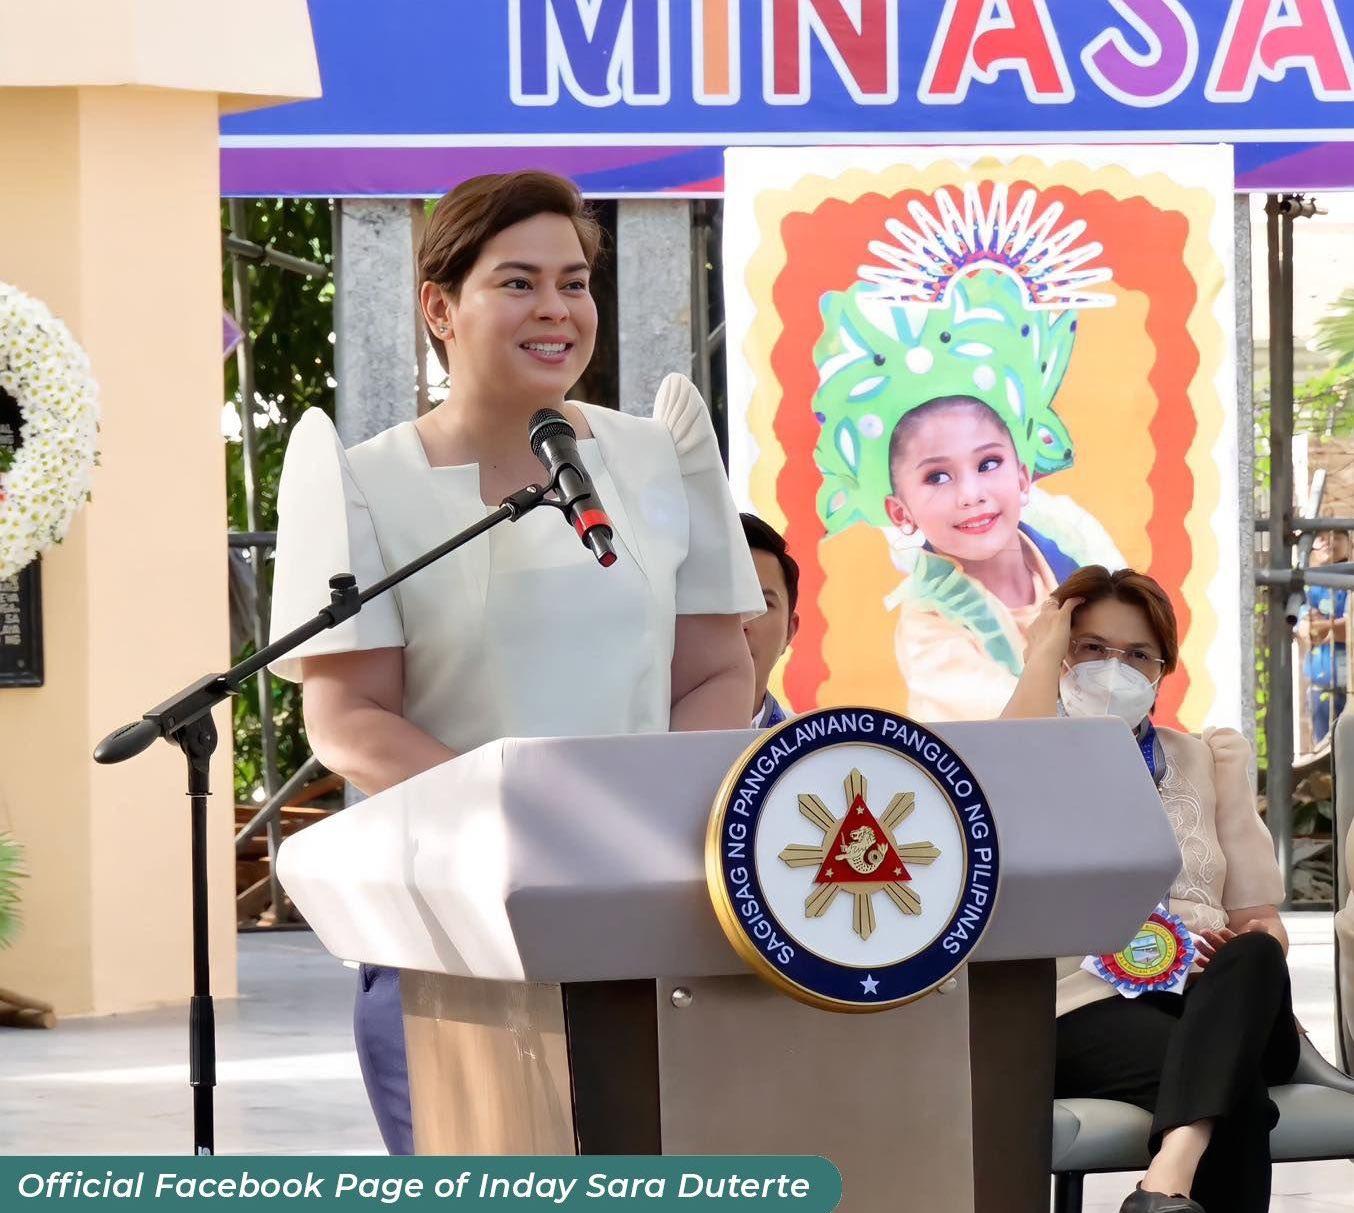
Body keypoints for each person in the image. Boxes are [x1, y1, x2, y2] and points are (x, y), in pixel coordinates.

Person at [266, 170, 762, 1154]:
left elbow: (716, 670)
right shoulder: (358, 482)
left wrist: (634, 809)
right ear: (439, 307)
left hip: (642, 895)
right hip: (450, 908)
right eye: (519, 282)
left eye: (573, 282)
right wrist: (528, 815)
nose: (557, 310)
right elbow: (350, 717)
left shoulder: (656, 456)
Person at [1004, 566, 1296, 1213]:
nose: (1115, 668)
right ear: (1060, 655)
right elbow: (1007, 784)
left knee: (1256, 955)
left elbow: (1263, 920)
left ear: (1162, 669)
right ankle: (1171, 1174)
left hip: (1216, 996)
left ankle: (1167, 1175)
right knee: (1233, 1092)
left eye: (1138, 654)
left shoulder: (1207, 757)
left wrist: (1247, 938)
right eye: (1091, 648)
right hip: (1084, 1008)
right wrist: (1043, 652)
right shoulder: (1031, 756)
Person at [809, 271, 1121, 722]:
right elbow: (1015, 733)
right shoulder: (929, 628)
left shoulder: (1078, 552)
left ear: (1023, 474)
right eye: (937, 477)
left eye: (988, 464)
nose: (970, 494)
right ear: (901, 511)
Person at [740, 513, 800, 728]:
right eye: (722, 604)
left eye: (762, 605)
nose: (741, 623)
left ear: (789, 631)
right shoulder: (639, 737)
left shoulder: (810, 753)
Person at [1297, 529, 1350, 746]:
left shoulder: (1351, 581)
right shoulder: (1307, 586)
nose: (1329, 541)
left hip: (1351, 690)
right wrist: (1335, 626)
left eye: (1337, 537)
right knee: (1324, 757)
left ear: (1349, 544)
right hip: (1321, 689)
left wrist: (1323, 626)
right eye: (1321, 537)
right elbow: (1305, 630)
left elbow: (1351, 629)